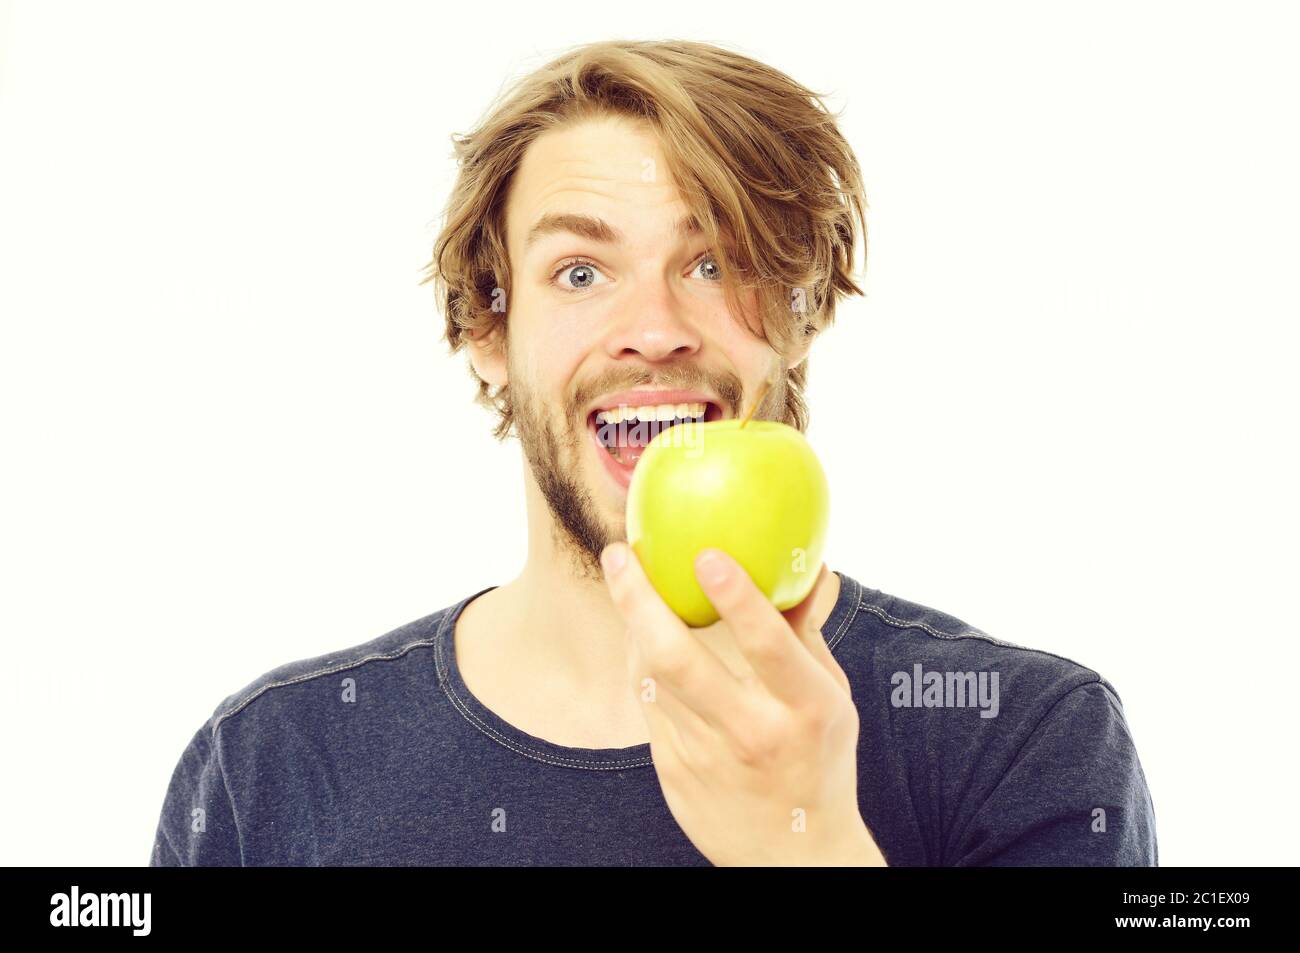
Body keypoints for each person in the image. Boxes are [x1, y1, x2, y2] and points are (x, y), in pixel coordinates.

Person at [150, 39, 1156, 866]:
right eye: (580, 270)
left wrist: (800, 842)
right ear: (486, 334)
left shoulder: (1021, 739)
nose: (655, 326)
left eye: (713, 261)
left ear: (796, 319)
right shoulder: (268, 768)